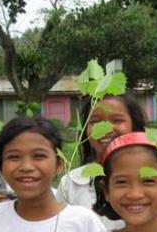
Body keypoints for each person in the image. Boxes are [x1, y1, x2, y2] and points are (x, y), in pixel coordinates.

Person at [55, 95, 146, 223]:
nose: (105, 129)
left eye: (116, 121)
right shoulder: (71, 183)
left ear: (135, 126)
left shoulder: (155, 177)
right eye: (95, 122)